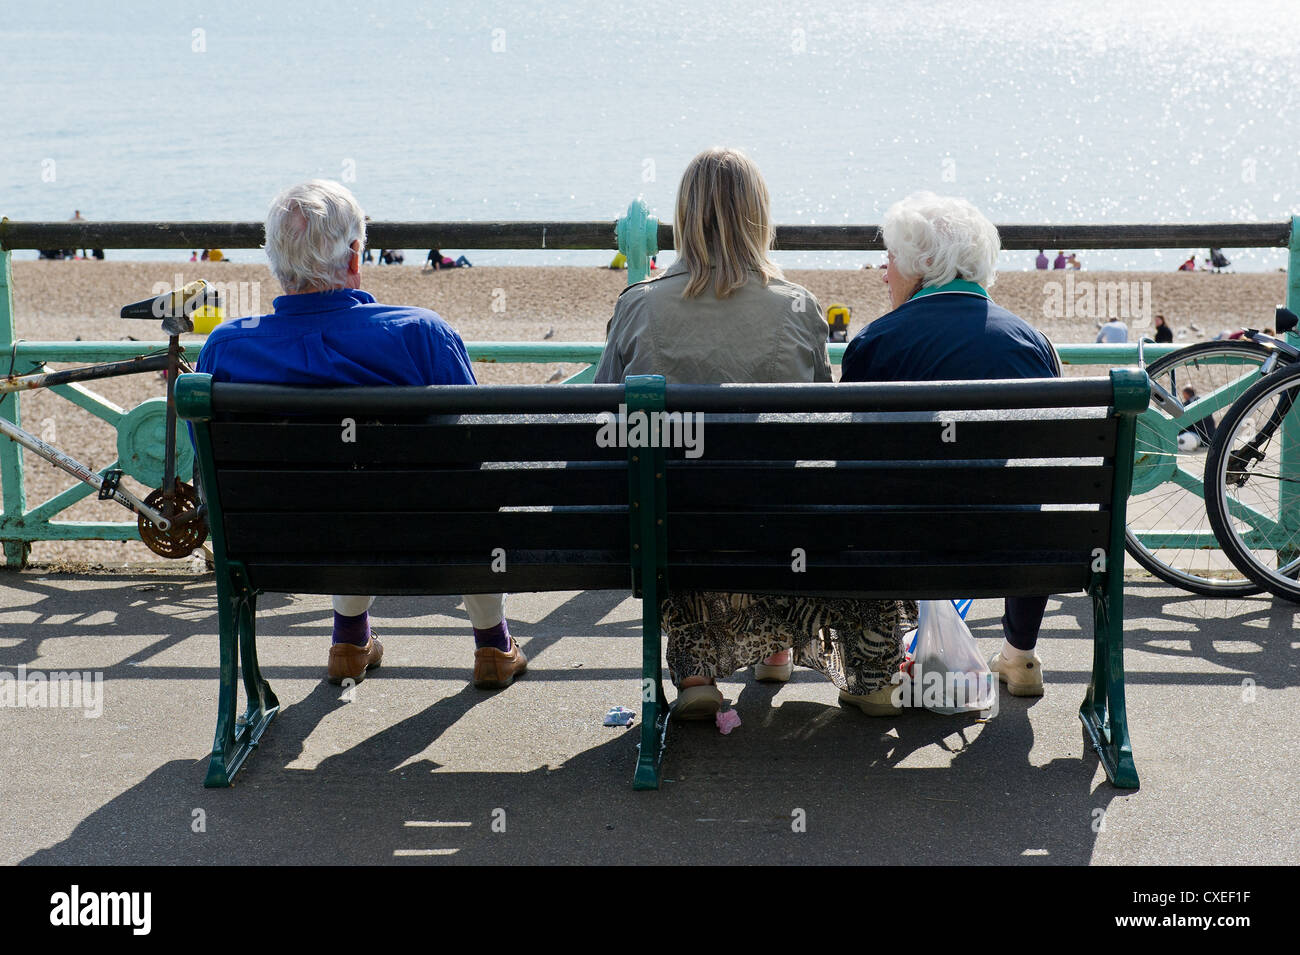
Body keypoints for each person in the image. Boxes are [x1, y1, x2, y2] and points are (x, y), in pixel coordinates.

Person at [594, 147, 907, 719]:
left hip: (671, 532)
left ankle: (695, 677)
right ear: (759, 217)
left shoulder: (638, 307)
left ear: (684, 218)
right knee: (779, 490)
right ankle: (802, 656)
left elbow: (604, 424)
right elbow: (819, 427)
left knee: (680, 495)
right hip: (778, 528)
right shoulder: (796, 306)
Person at [197, 180, 522, 690]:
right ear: (354, 257)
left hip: (278, 549)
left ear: (275, 260)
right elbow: (472, 452)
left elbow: (206, 463)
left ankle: (349, 639)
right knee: (463, 495)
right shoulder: (420, 334)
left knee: (341, 504)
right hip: (424, 539)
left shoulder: (225, 350)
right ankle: (493, 646)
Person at [841, 192, 1060, 698]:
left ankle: (880, 667)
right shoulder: (1031, 342)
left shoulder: (875, 344)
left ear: (920, 266)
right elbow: (1047, 460)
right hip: (1014, 546)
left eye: (890, 259)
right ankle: (1020, 655)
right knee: (1032, 506)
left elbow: (854, 464)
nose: (884, 274)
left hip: (901, 546)